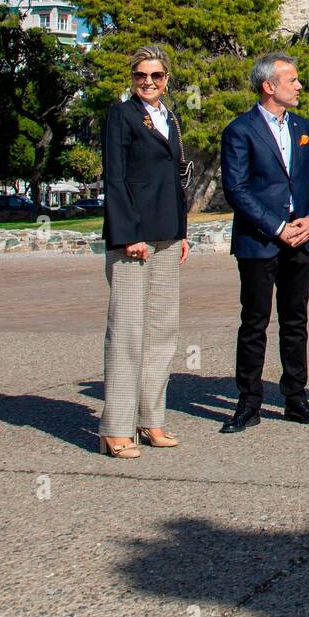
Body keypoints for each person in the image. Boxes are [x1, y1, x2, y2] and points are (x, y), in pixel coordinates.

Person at [219, 52, 309, 433]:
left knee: (295, 321)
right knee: (254, 322)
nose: (299, 86)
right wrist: (277, 227)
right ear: (269, 86)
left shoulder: (303, 127)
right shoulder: (239, 130)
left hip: (301, 241)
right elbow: (237, 189)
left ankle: (296, 398)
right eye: (292, 80)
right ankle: (248, 402)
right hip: (259, 242)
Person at [99, 45, 189, 458]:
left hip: (168, 235)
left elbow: (175, 178)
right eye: (141, 76)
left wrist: (183, 231)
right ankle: (116, 428)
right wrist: (128, 233)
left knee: (162, 332)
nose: (148, 82)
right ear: (132, 79)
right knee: (128, 332)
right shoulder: (121, 116)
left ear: (166, 80)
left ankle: (150, 419)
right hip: (134, 239)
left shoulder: (170, 117)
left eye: (156, 76)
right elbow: (115, 178)